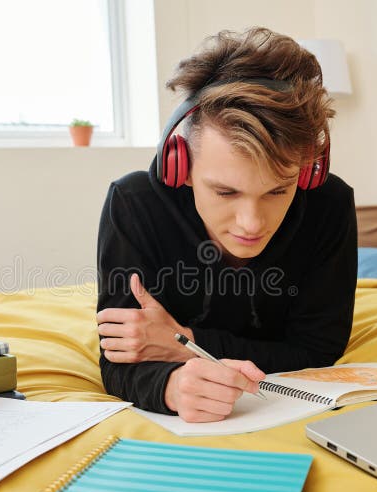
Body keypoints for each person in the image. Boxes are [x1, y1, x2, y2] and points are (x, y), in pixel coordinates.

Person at [95, 27, 357, 423]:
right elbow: (120, 357)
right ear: (180, 166)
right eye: (225, 192)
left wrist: (185, 343)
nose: (252, 223)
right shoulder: (134, 204)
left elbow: (319, 350)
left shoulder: (329, 204)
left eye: (277, 192)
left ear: (306, 173)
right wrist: (171, 387)